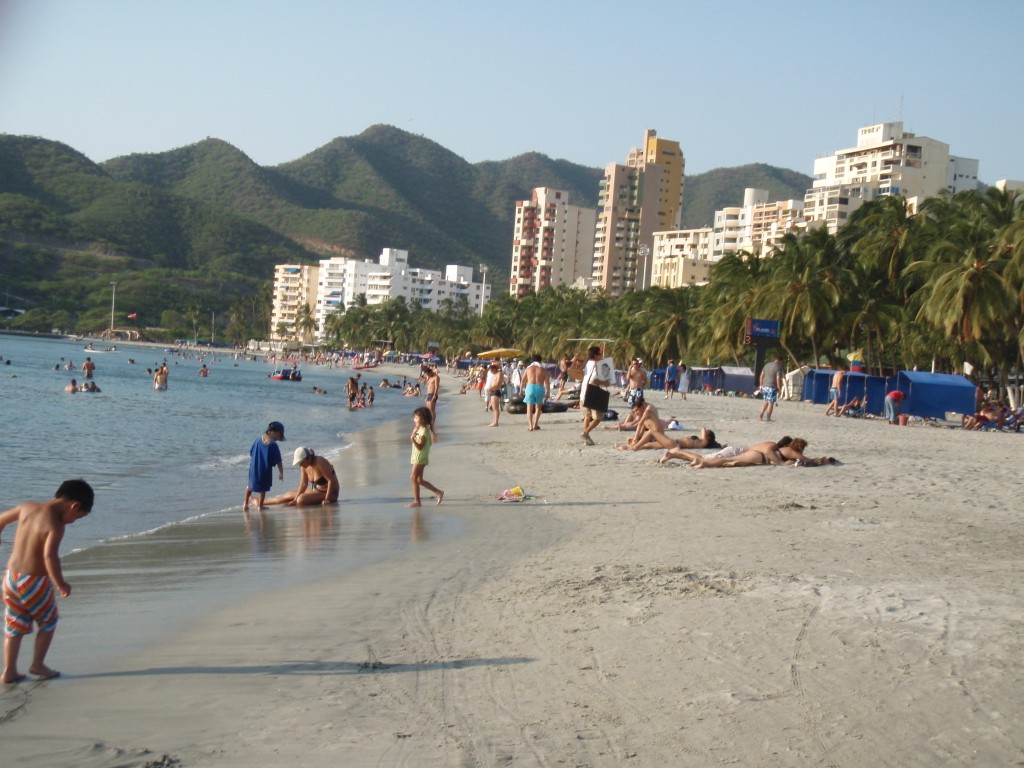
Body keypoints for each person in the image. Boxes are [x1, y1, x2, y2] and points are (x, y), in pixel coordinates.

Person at [1, 479, 94, 683]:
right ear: (74, 505)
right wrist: (60, 583)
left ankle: (9, 671)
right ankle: (38, 664)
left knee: (14, 625)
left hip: (10, 578)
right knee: (48, 621)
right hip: (34, 582)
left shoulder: (27, 508)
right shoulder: (56, 525)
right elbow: (49, 557)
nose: (73, 521)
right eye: (77, 517)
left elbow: (1, 520)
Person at [264, 447, 340, 507]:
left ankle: (300, 501)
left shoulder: (320, 462)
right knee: (289, 495)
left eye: (301, 462)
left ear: (308, 458)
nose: (300, 465)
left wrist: (327, 500)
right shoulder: (304, 466)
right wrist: (294, 500)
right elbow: (304, 484)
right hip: (316, 491)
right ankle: (260, 502)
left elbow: (331, 481)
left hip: (331, 494)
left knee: (301, 499)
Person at [243, 421, 285, 512]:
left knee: (249, 486)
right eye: (279, 435)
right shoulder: (273, 445)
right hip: (265, 470)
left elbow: (251, 453)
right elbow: (278, 460)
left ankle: (245, 504)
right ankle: (260, 506)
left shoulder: (257, 441)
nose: (279, 438)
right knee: (262, 489)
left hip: (253, 468)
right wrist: (281, 472)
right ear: (274, 432)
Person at [408, 407, 443, 507]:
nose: (414, 420)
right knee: (419, 480)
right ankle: (438, 492)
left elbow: (420, 447)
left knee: (413, 478)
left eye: (415, 418)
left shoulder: (424, 432)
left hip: (420, 457)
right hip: (418, 457)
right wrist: (414, 432)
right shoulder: (420, 429)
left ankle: (417, 501)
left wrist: (413, 439)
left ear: (422, 419)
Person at [580, 346, 610, 446]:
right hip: (593, 394)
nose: (602, 356)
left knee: (587, 417)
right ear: (596, 355)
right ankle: (585, 433)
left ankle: (586, 440)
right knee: (598, 417)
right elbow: (594, 380)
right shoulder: (597, 364)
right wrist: (604, 383)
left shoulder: (587, 363)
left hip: (583, 393)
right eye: (600, 354)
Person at [522, 355, 551, 431]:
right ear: (540, 361)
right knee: (538, 407)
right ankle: (535, 424)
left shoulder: (528, 368)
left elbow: (523, 380)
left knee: (529, 408)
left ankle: (530, 426)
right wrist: (548, 393)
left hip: (530, 387)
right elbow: (547, 383)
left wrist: (520, 390)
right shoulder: (543, 370)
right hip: (539, 387)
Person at [758, 356, 784, 422]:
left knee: (766, 401)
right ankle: (768, 418)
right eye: (781, 362)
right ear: (779, 361)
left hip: (765, 386)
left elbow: (761, 376)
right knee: (771, 403)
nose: (781, 364)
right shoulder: (778, 367)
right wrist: (779, 388)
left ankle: (762, 413)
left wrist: (761, 385)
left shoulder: (767, 365)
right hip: (772, 387)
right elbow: (778, 379)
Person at [484, 363, 504, 427]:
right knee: (493, 408)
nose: (491, 371)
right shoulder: (495, 374)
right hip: (493, 390)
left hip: (496, 391)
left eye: (491, 370)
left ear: (494, 369)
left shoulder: (499, 374)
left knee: (495, 408)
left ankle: (496, 422)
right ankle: (494, 421)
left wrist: (491, 388)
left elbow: (498, 383)